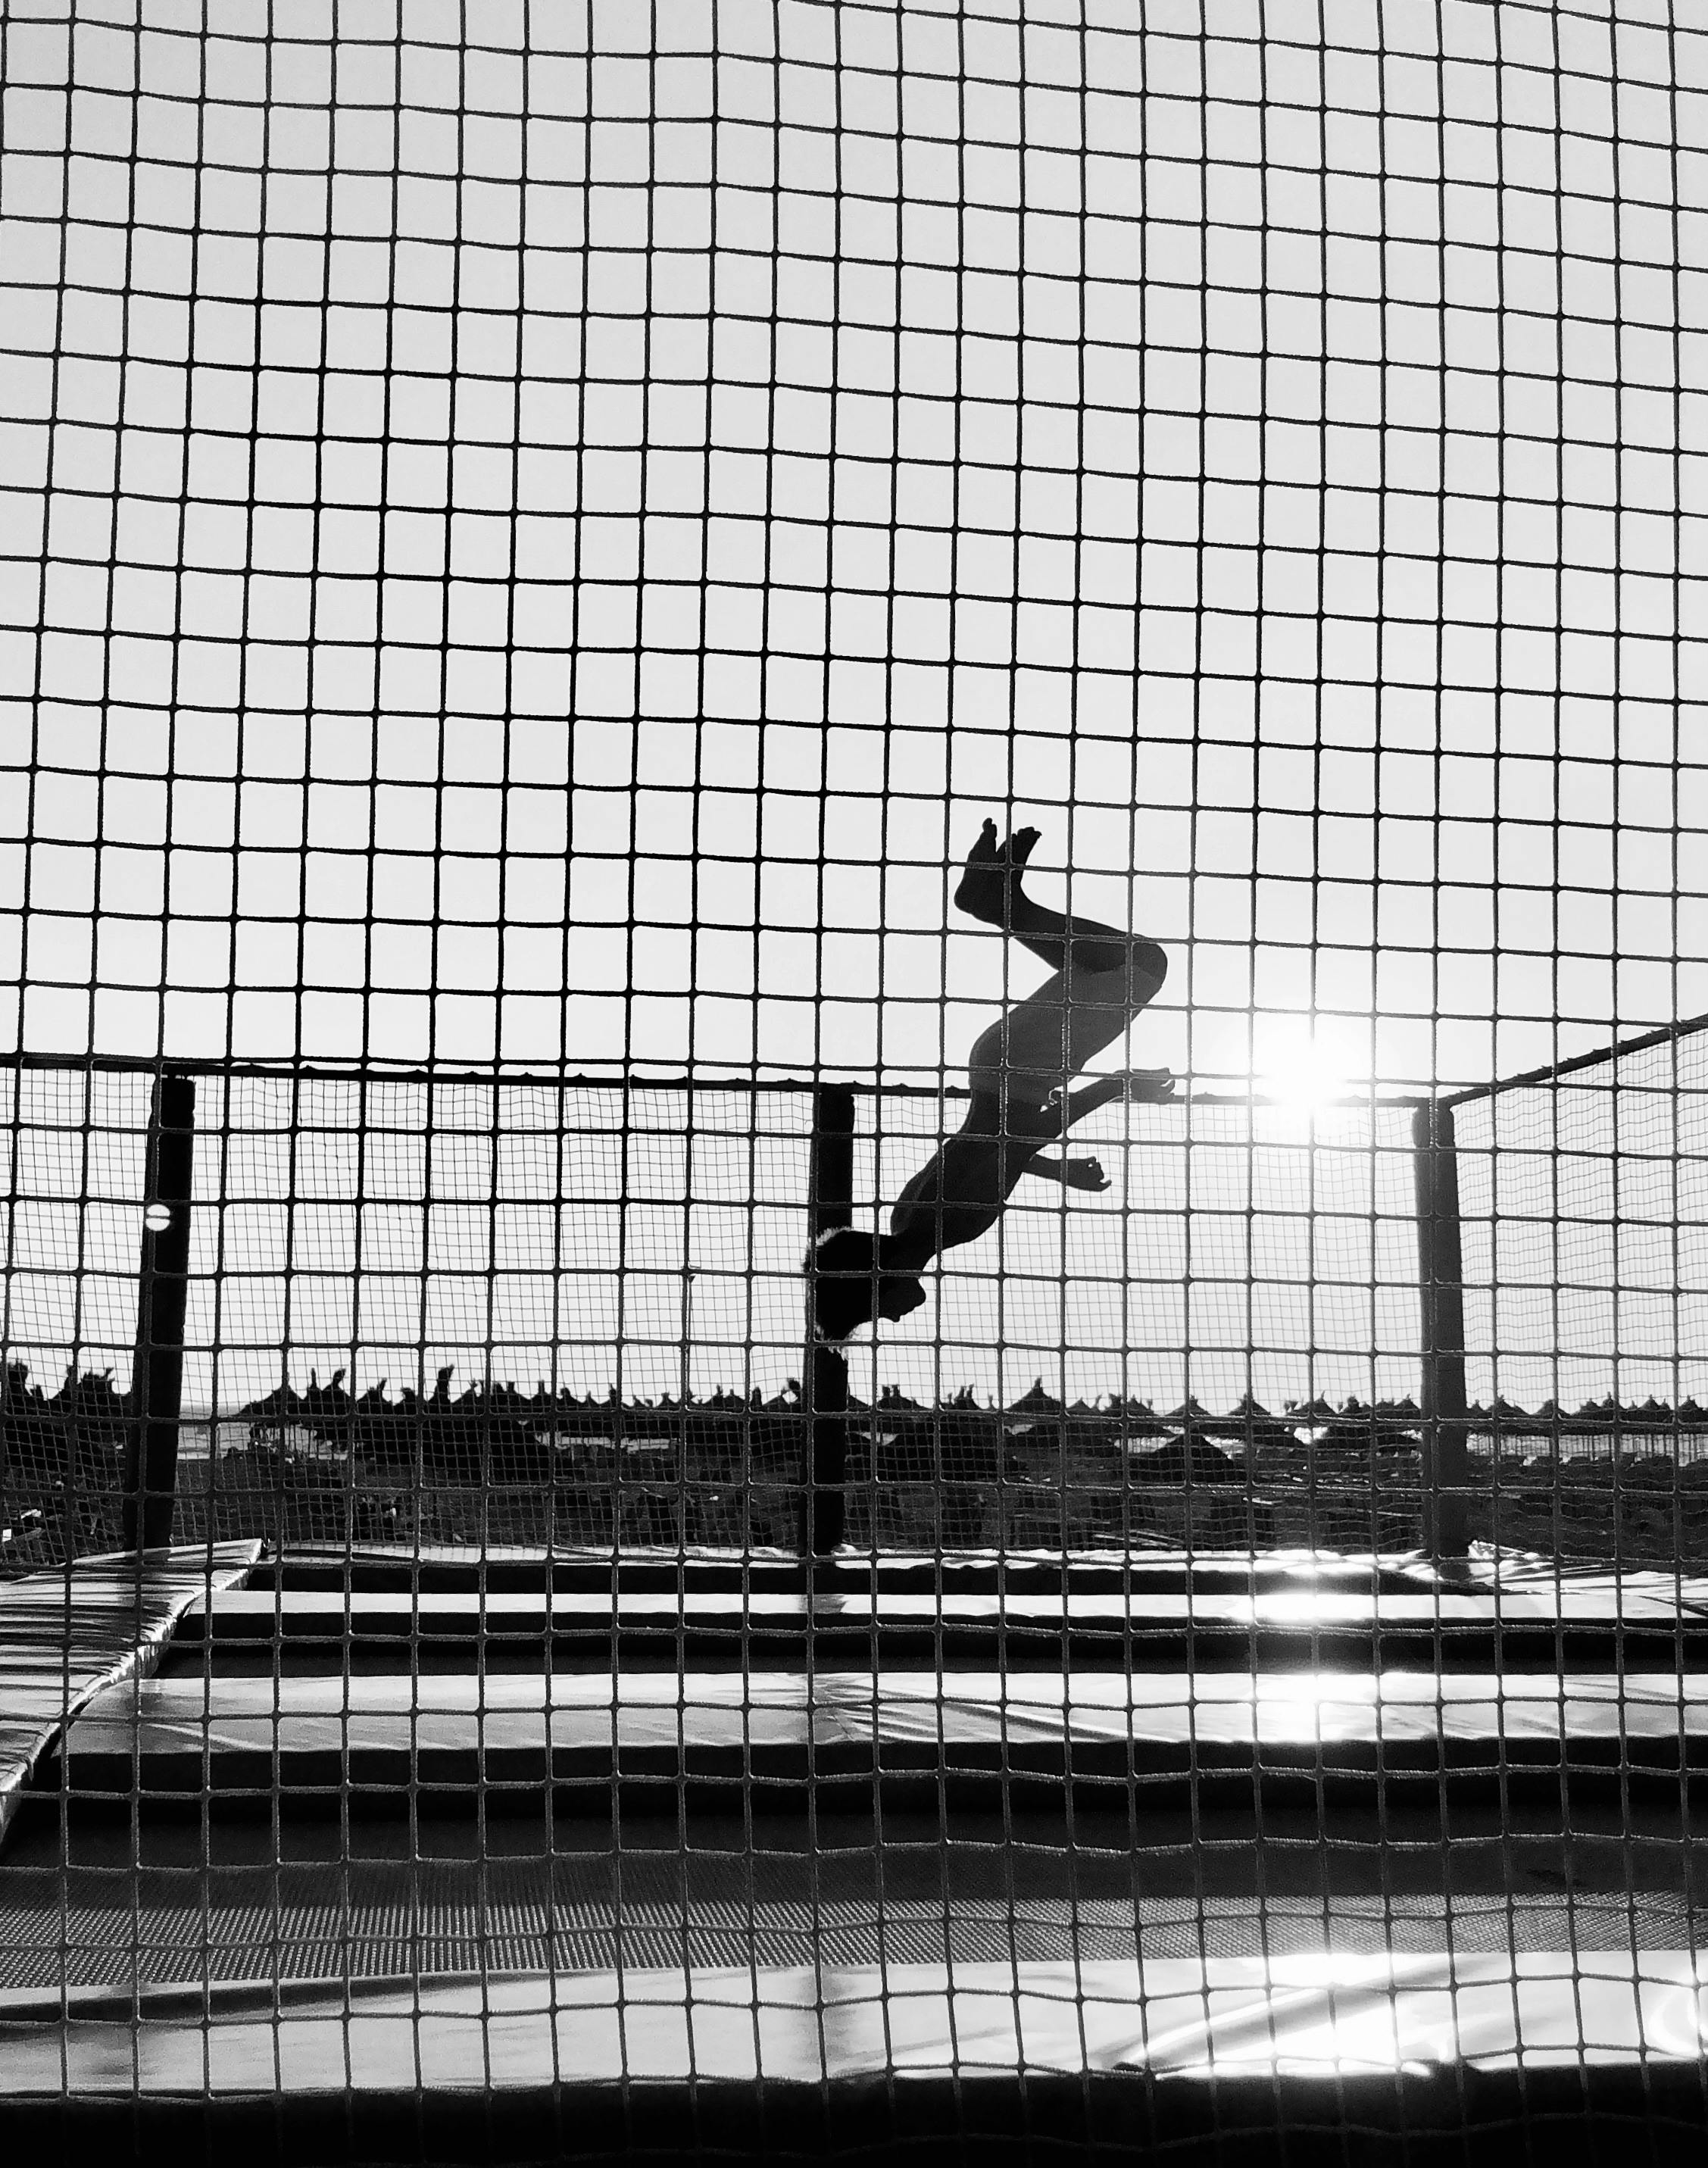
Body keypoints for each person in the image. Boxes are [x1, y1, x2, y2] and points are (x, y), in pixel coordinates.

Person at [810, 818, 1174, 1343]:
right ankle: (996, 902)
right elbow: (982, 1150)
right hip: (998, 1067)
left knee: (1143, 964)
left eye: (873, 1312)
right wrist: (1056, 1172)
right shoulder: (904, 1220)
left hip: (1025, 1070)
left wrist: (1118, 1086)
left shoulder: (950, 1229)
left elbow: (1017, 1141)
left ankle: (992, 904)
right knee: (1110, 966)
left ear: (875, 1283)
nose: (889, 1318)